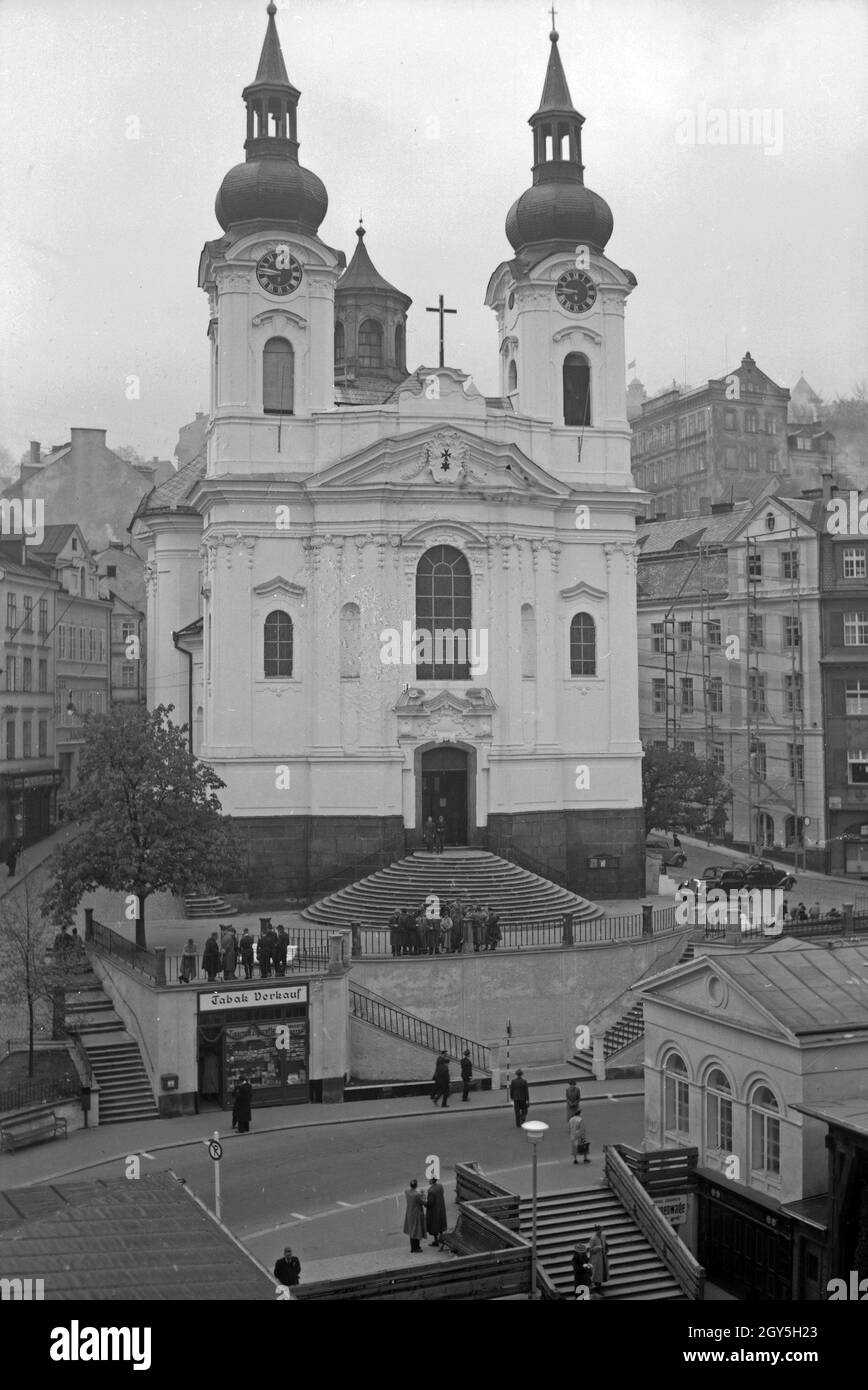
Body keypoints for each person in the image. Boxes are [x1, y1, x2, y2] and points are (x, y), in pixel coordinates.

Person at [403, 1178, 427, 1252]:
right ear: (416, 1185)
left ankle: (414, 1247)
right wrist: (423, 1194)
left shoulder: (407, 1192)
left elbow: (410, 1192)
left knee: (412, 1230)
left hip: (410, 1213)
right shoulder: (417, 1195)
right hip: (416, 1214)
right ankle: (415, 1247)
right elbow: (423, 1202)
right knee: (417, 1230)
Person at [426, 1175, 448, 1248]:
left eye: (429, 1179)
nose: (428, 1180)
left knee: (434, 1225)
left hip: (434, 1211)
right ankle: (441, 1238)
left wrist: (423, 1202)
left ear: (432, 1181)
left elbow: (429, 1203)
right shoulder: (440, 1186)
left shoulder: (431, 1190)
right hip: (441, 1208)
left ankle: (436, 1241)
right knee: (441, 1224)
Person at [588, 1225, 609, 1293]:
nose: (600, 1232)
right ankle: (597, 1285)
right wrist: (597, 1247)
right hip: (596, 1258)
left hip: (603, 1256)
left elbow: (605, 1244)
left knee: (603, 1270)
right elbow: (590, 1249)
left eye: (601, 1230)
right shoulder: (593, 1238)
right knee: (597, 1271)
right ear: (596, 1231)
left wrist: (606, 1249)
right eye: (599, 1231)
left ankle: (599, 1284)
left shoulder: (603, 1236)